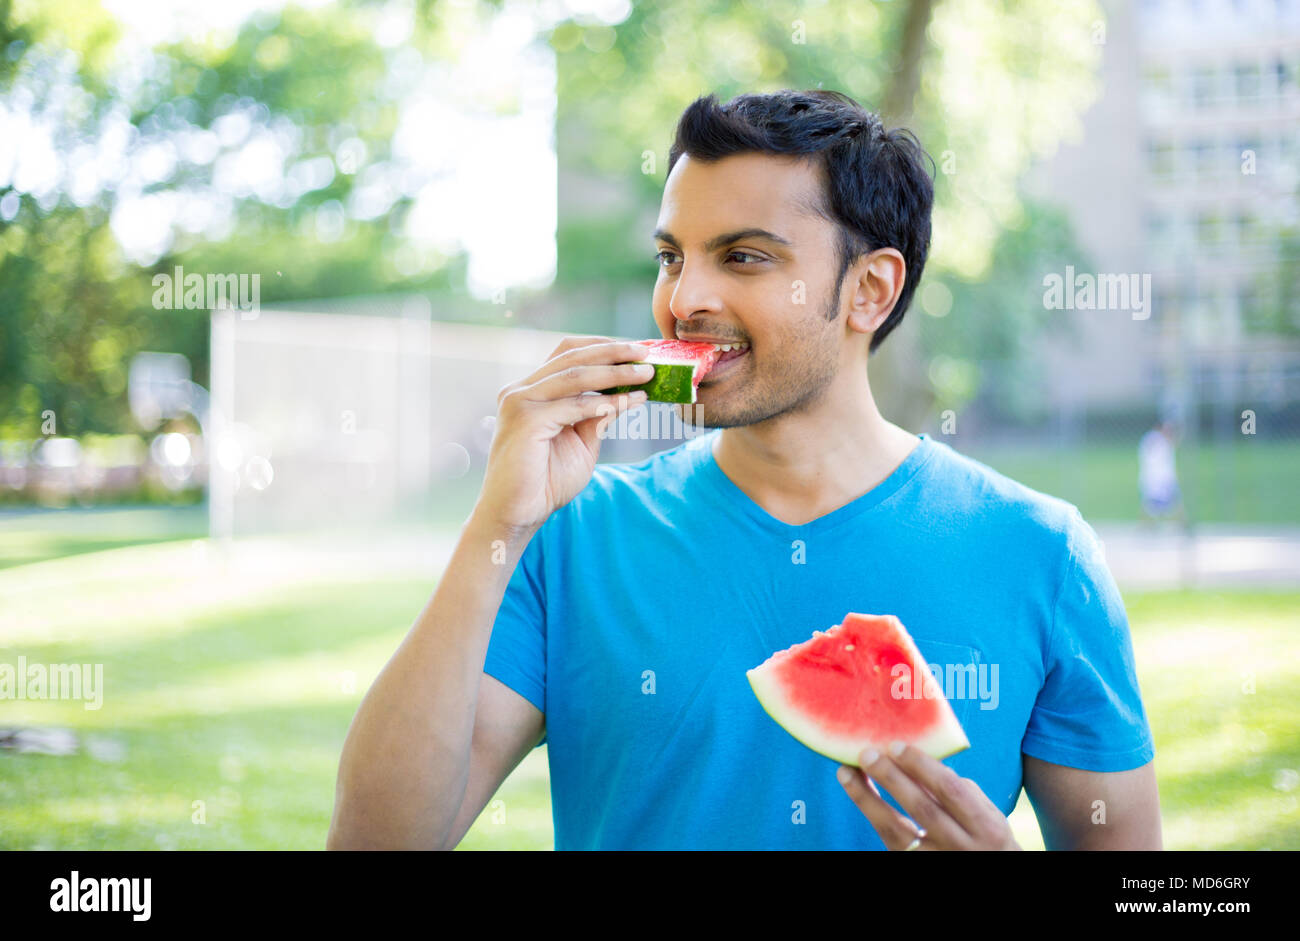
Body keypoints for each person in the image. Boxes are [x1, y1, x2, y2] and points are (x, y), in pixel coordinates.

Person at [327, 89, 1161, 851]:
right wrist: (495, 527)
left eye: (745, 257)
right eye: (671, 256)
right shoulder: (573, 532)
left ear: (869, 290)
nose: (683, 297)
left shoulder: (1041, 554)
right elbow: (376, 841)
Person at [1139, 419, 1186, 526]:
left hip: (1153, 477)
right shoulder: (1159, 440)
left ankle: (1147, 524)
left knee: (1150, 503)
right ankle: (1182, 523)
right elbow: (1173, 443)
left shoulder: (1149, 439)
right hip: (1161, 477)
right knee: (1172, 501)